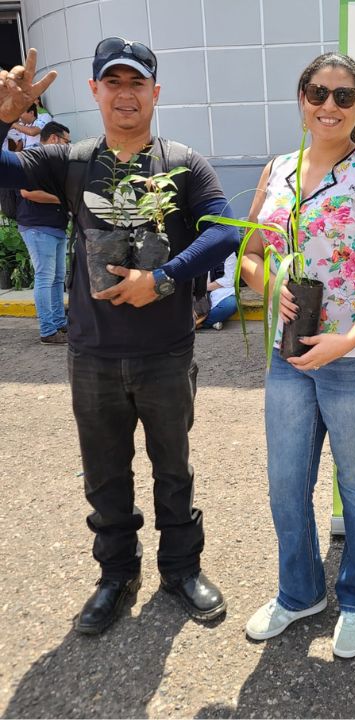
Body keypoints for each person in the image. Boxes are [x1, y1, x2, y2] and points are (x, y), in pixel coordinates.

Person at [0, 42, 239, 634]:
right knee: (104, 474)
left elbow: (224, 231)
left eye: (137, 83)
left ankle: (181, 569)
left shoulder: (183, 163)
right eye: (114, 82)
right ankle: (115, 575)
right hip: (93, 353)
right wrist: (2, 118)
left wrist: (162, 278)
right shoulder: (72, 160)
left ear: (155, 92)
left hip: (166, 352)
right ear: (95, 91)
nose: (125, 94)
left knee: (173, 468)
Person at [237, 53, 355, 660]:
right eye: (317, 93)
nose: (328, 106)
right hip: (290, 353)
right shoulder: (279, 170)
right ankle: (300, 592)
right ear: (301, 99)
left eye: (343, 96)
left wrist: (350, 337)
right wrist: (270, 284)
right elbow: (250, 254)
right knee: (287, 483)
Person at [16, 120, 70, 344]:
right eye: (67, 142)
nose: (68, 146)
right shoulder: (34, 157)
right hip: (38, 226)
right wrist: (62, 200)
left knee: (57, 278)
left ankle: (59, 322)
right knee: (45, 277)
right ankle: (48, 330)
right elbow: (27, 192)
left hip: (55, 226)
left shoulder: (52, 162)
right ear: (55, 138)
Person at [196, 251, 238, 330]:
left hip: (217, 291)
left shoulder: (228, 252)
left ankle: (199, 324)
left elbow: (229, 280)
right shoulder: (194, 251)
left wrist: (204, 287)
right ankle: (212, 321)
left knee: (230, 304)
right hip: (194, 293)